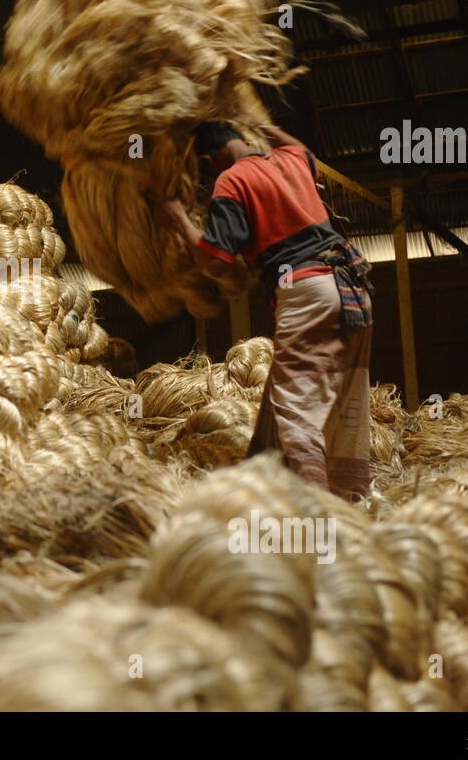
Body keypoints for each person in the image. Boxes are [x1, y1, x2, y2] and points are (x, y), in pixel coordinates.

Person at [155, 121, 375, 500]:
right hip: (353, 288)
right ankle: (351, 497)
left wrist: (176, 217)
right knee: (345, 402)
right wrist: (264, 125)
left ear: (210, 160)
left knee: (296, 412)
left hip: (306, 291)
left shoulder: (231, 180)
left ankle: (315, 514)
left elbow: (218, 260)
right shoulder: (291, 158)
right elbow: (305, 150)